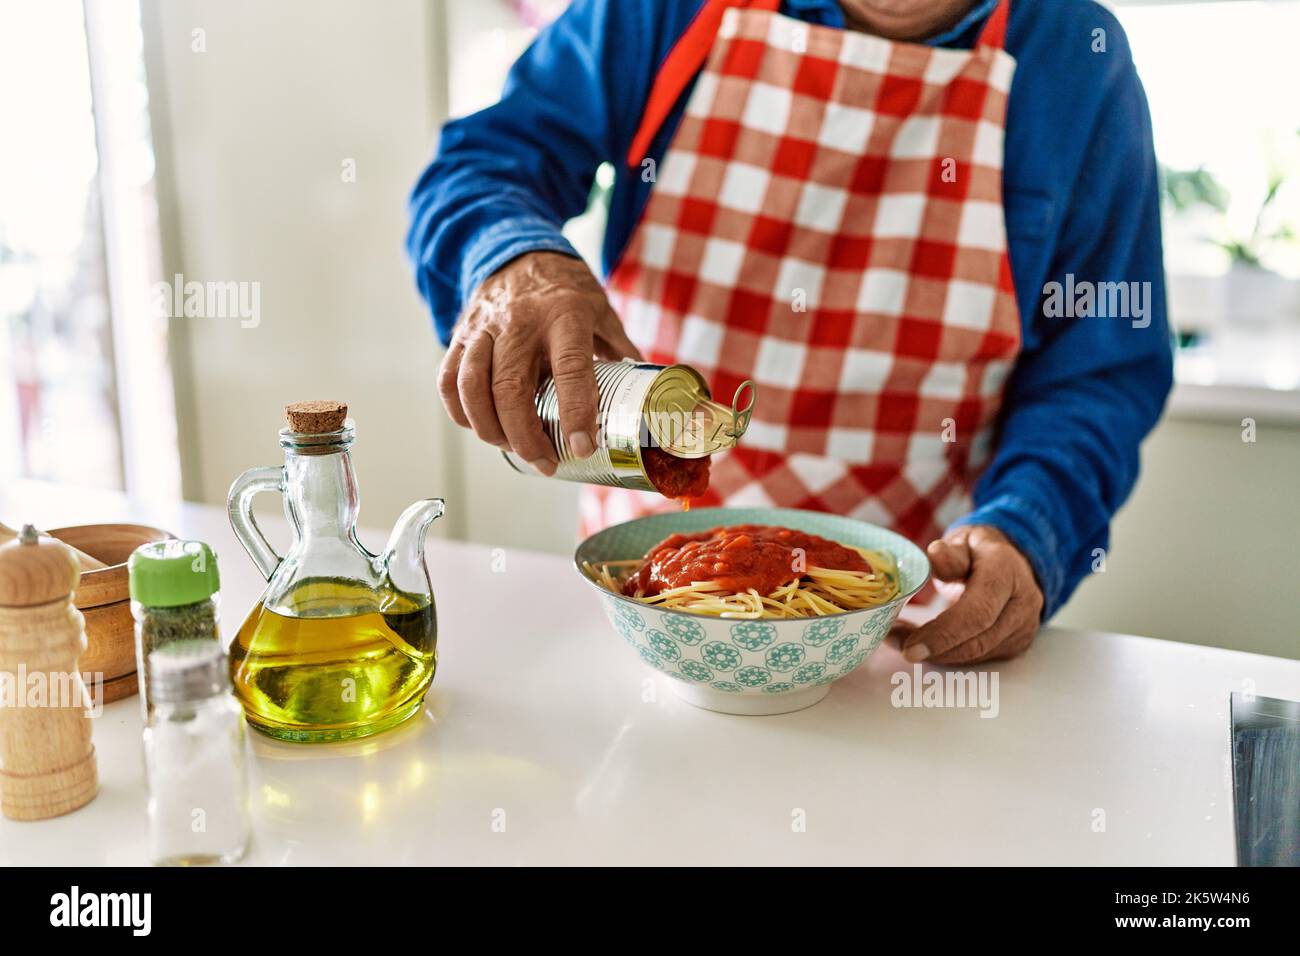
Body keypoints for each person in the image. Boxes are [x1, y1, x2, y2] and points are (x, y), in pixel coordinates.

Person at [406, 0, 1173, 665]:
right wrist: (515, 260)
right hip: (652, 595)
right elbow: (483, 163)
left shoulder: (1077, 61)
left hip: (911, 630)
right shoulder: (664, 12)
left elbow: (1094, 374)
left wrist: (1028, 529)